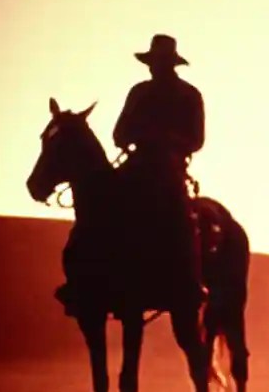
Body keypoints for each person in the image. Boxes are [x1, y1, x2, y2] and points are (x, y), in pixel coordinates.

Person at [58, 34, 204, 315]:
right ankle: (82, 278)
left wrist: (167, 139)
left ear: (169, 63)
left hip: (169, 167)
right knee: (98, 205)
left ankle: (189, 282)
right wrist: (135, 136)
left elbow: (197, 139)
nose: (154, 67)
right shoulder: (138, 92)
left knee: (178, 215)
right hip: (136, 162)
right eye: (153, 62)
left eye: (159, 62)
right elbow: (118, 132)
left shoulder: (189, 95)